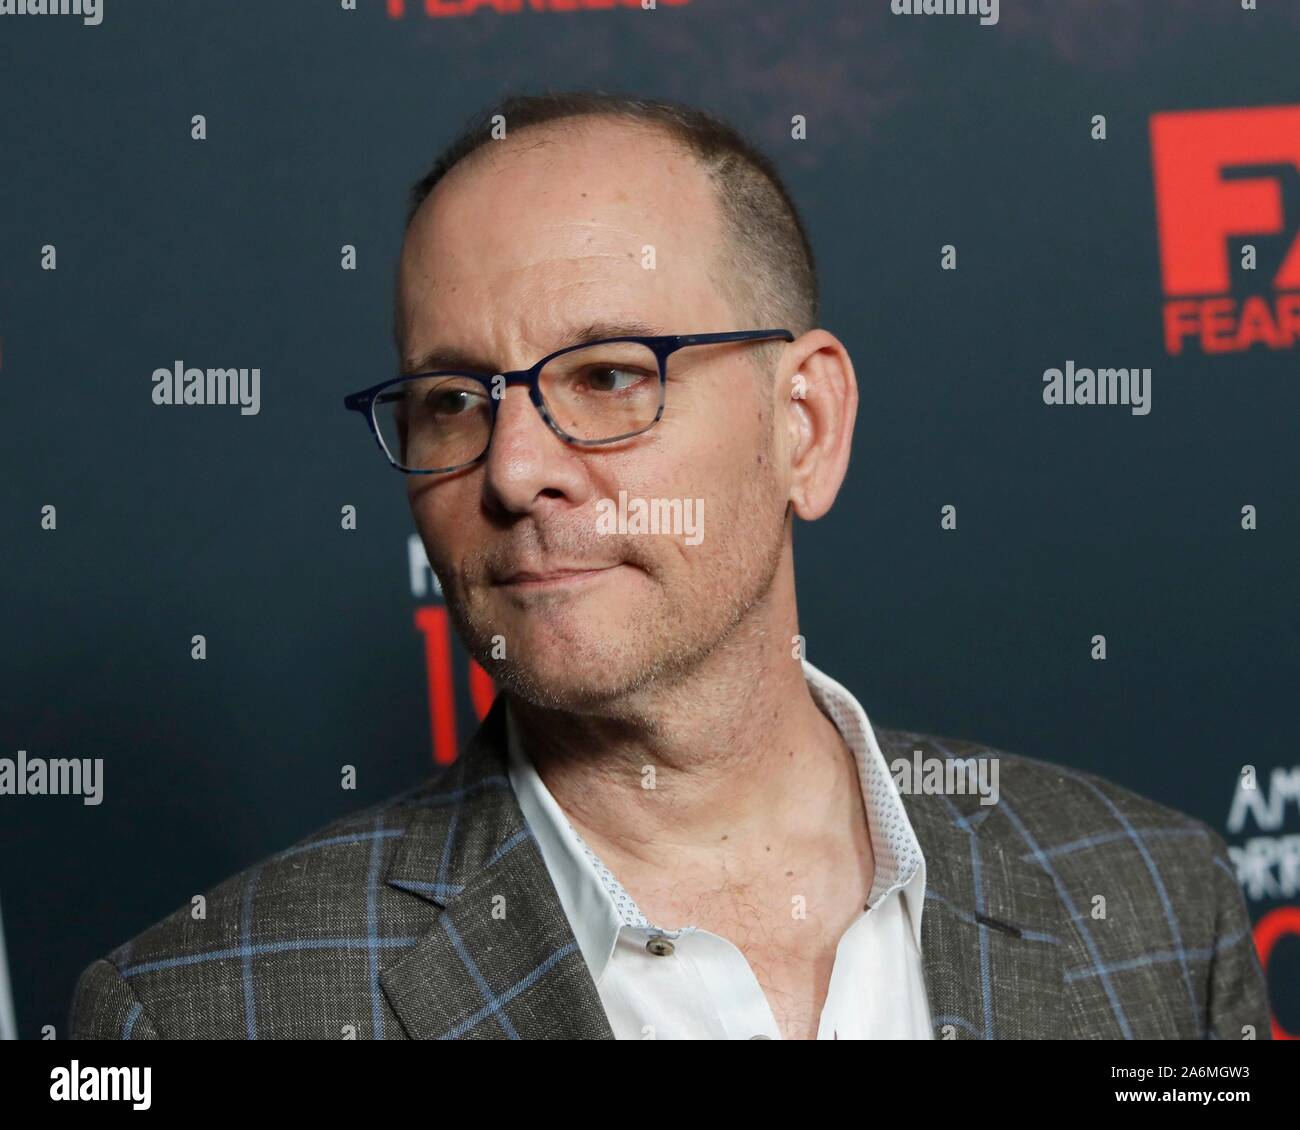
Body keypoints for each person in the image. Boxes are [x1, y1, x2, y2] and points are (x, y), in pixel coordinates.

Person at [70, 90, 1270, 1040]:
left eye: (604, 376)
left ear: (803, 424)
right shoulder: (196, 1011)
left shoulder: (1153, 904)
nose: (513, 469)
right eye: (451, 400)